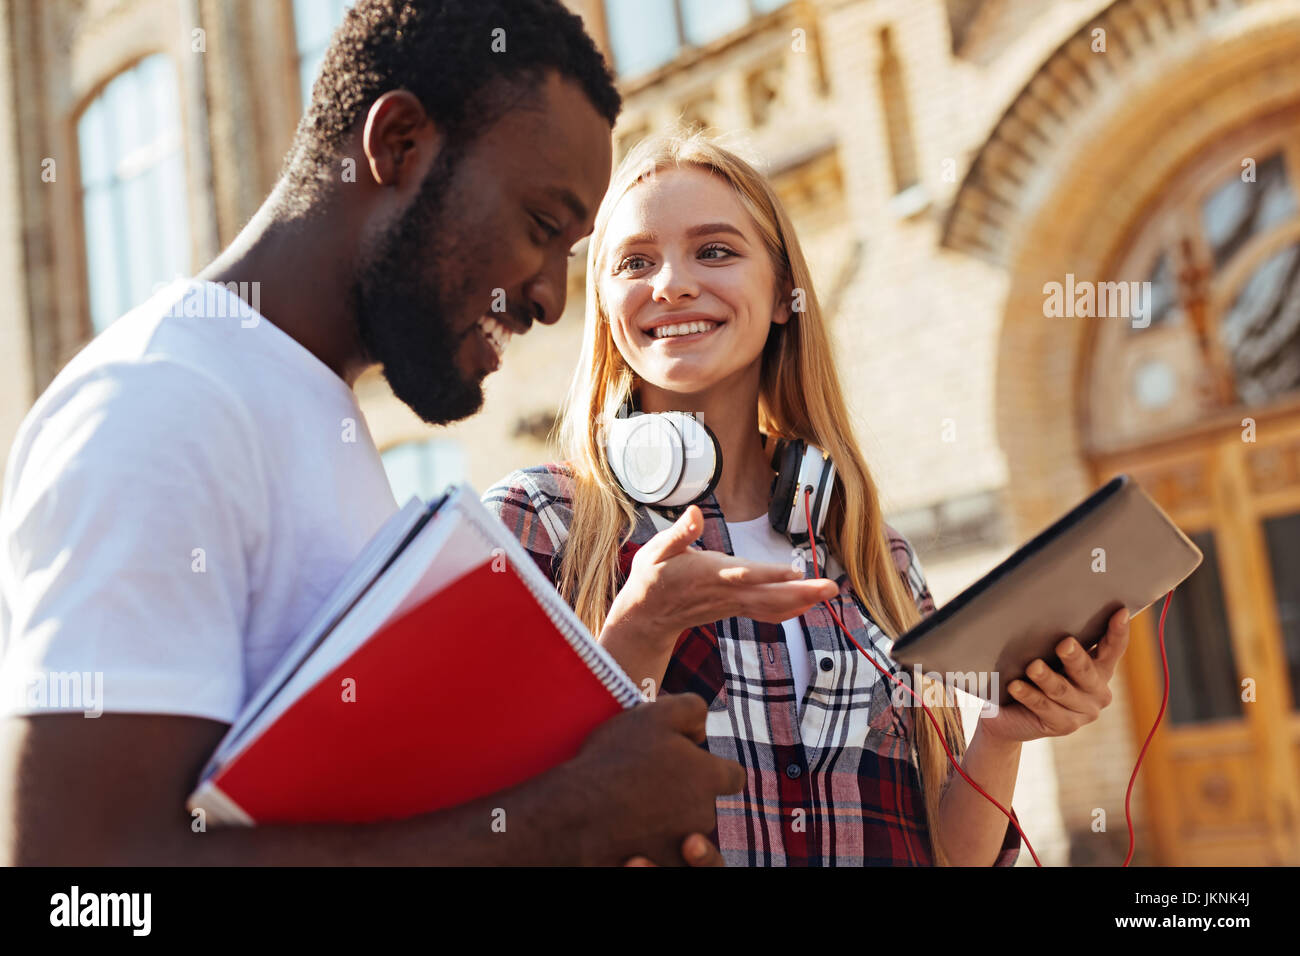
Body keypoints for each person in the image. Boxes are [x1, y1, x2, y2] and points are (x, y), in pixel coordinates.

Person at [0, 0, 807, 867]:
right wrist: (559, 824)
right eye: (541, 227)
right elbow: (74, 882)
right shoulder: (161, 401)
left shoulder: (312, 417)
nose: (549, 300)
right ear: (398, 147)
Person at [482, 130, 1133, 866]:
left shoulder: (872, 553)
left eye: (716, 251)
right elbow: (507, 826)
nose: (670, 283)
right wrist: (639, 633)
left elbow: (951, 858)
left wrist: (1003, 730)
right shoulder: (533, 526)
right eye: (634, 261)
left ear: (784, 296)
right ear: (604, 308)